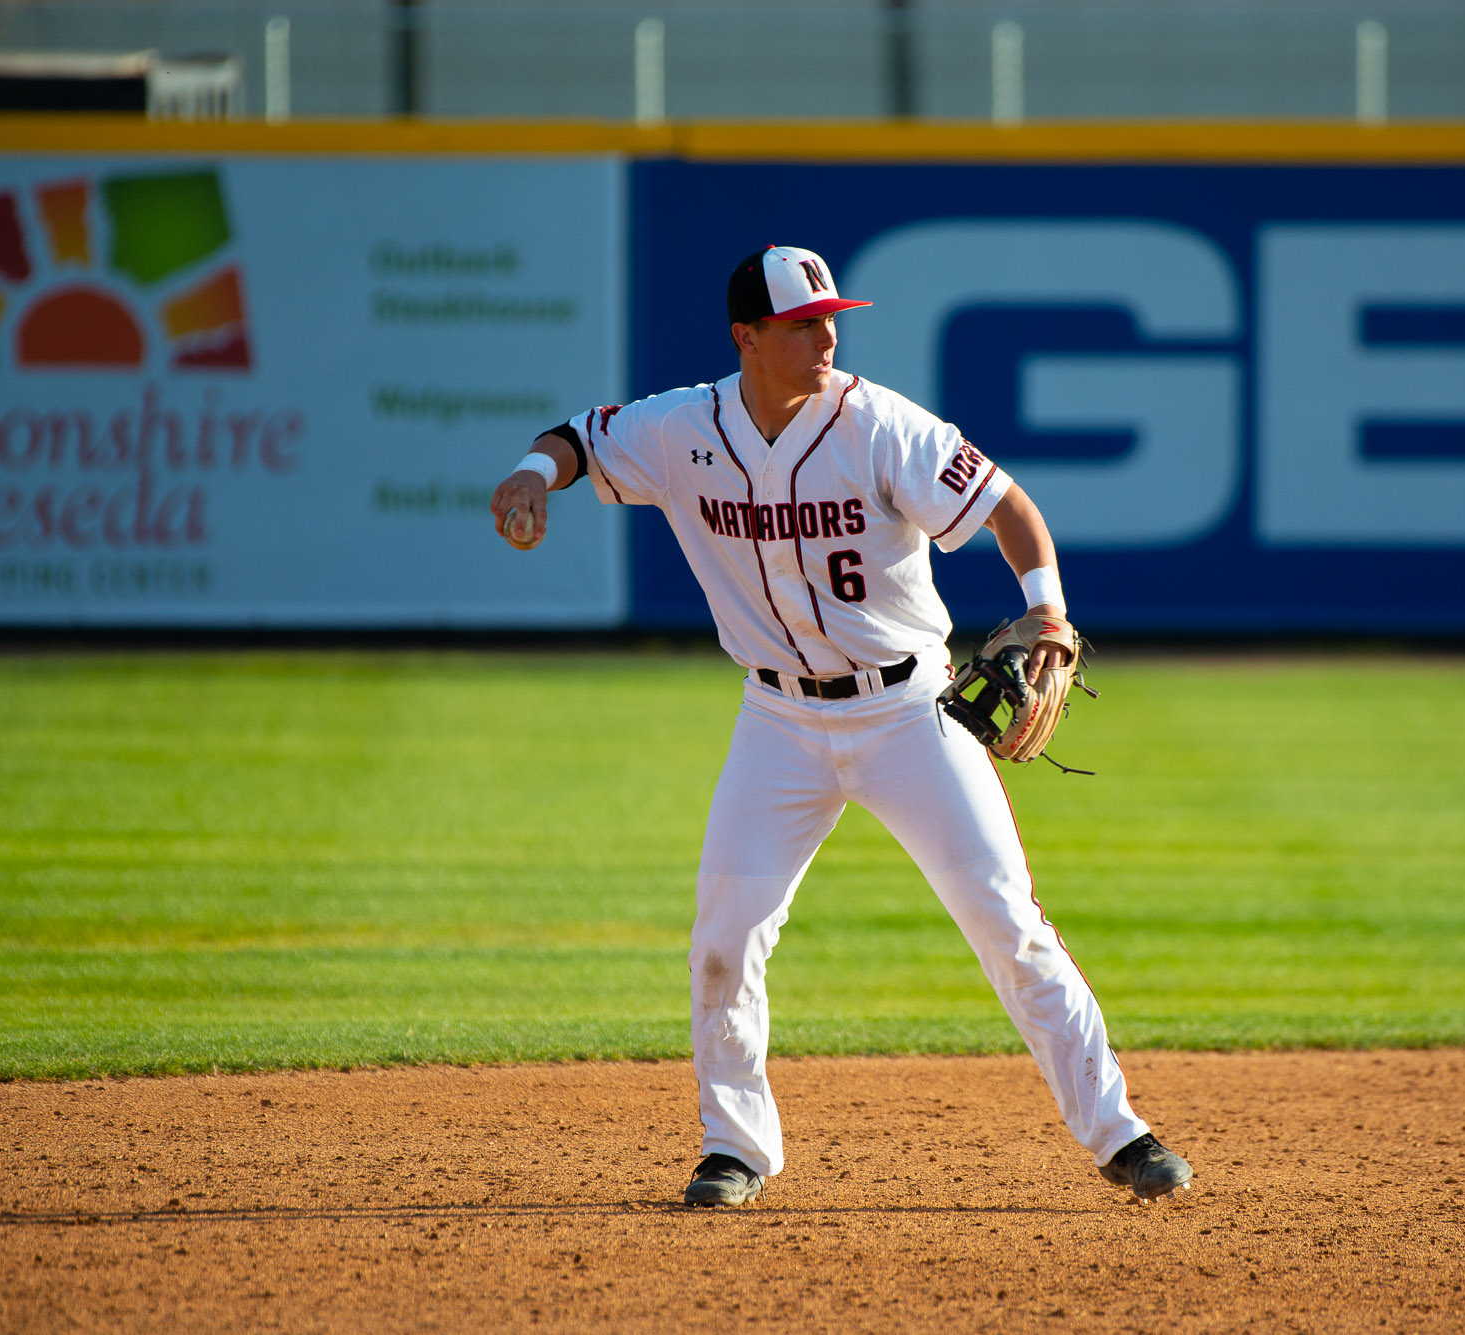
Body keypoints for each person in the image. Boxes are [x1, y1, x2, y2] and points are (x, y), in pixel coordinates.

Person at [489, 245, 1192, 1208]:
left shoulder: (878, 423)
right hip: (776, 719)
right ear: (747, 337)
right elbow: (577, 435)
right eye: (803, 322)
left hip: (910, 711)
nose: (828, 334)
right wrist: (531, 475)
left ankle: (1120, 1132)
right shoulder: (681, 428)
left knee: (1008, 923)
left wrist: (1051, 611)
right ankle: (733, 1148)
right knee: (724, 939)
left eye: (831, 317)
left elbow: (1009, 507)